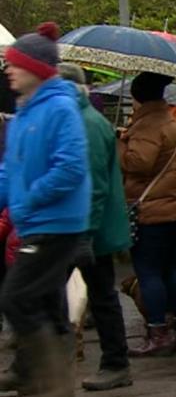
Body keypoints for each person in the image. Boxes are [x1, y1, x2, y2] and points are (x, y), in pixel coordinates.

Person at [0, 22, 91, 395]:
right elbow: (10, 169)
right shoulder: (24, 112)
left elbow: (70, 166)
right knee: (46, 303)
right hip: (37, 221)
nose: (8, 70)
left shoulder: (59, 109)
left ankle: (47, 379)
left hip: (57, 223)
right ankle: (42, 375)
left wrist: (28, 199)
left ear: (36, 69)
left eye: (15, 64)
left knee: (16, 297)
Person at [59, 63, 134, 391]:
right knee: (54, 293)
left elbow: (92, 185)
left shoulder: (85, 124)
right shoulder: (82, 120)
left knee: (100, 296)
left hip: (87, 229)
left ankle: (116, 363)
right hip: (82, 228)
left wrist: (85, 234)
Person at [120, 72, 176, 357]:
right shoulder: (173, 122)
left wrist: (120, 144)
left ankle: (158, 332)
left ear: (137, 96)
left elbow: (138, 163)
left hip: (152, 209)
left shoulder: (147, 125)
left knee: (148, 272)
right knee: (169, 269)